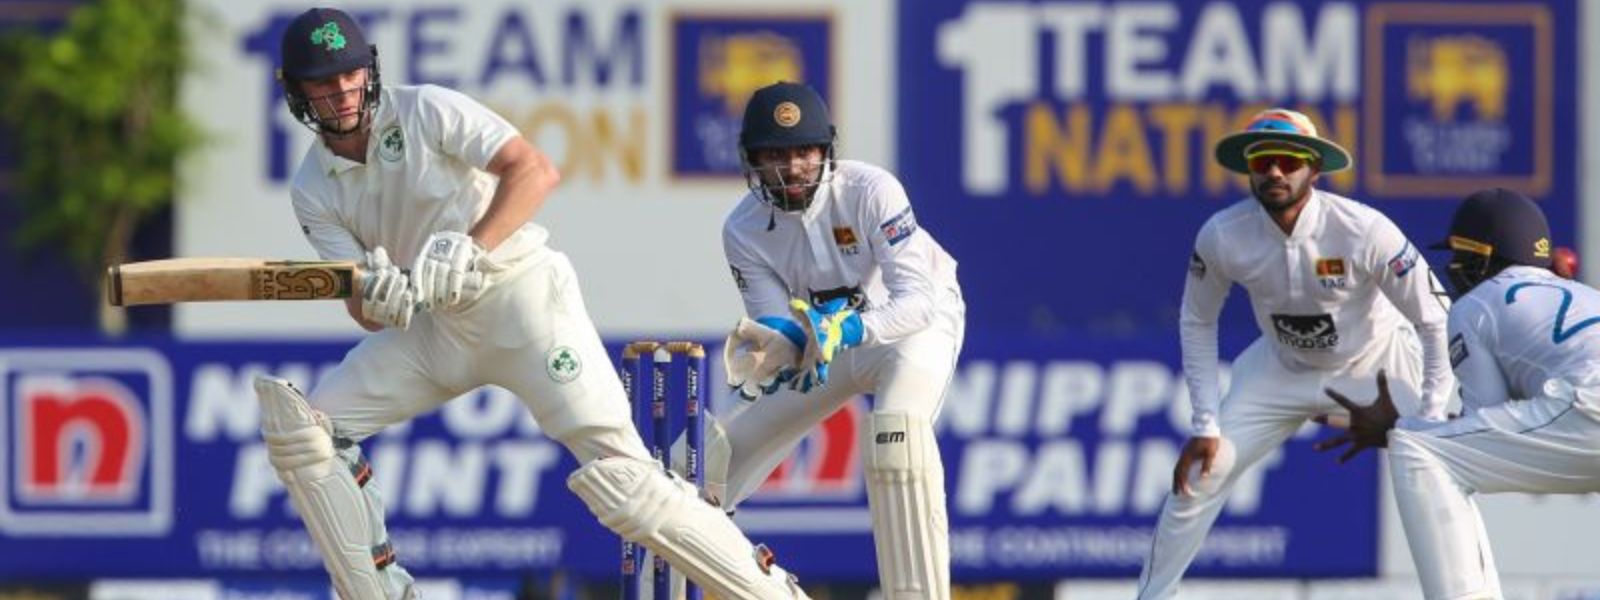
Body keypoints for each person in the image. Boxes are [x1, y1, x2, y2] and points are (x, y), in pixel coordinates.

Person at [260, 9, 810, 600]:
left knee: (623, 477)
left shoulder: (425, 109)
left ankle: (773, 594)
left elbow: (533, 169)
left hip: (520, 300)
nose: (342, 92)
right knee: (306, 433)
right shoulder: (312, 188)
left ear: (368, 70)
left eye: (349, 75)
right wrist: (381, 295)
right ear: (295, 91)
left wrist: (470, 247)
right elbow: (363, 309)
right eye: (323, 82)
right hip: (434, 330)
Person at [1134, 108, 1454, 599]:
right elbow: (1197, 320)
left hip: (1377, 364)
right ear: (1248, 169)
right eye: (1263, 163)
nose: (1276, 172)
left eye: (1288, 160)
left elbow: (1435, 318)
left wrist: (1429, 418)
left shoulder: (1364, 229)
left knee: (1440, 461)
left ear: (1315, 169)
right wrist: (1205, 422)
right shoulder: (1222, 234)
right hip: (1280, 368)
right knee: (1201, 475)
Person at [713, 81, 966, 599]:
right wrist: (777, 351)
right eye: (776, 154)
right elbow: (778, 328)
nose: (794, 166)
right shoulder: (741, 229)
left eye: (804, 151)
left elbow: (917, 302)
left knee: (897, 437)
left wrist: (850, 327)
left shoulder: (872, 190)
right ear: (752, 161)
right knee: (703, 467)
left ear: (825, 150)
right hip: (828, 349)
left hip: (914, 331)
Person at [1317, 188, 1600, 600]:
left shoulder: (1475, 305)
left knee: (1419, 449)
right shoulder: (1588, 295)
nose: (1453, 267)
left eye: (1461, 254)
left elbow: (1479, 428)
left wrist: (1398, 427)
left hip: (1590, 406)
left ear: (1486, 255)